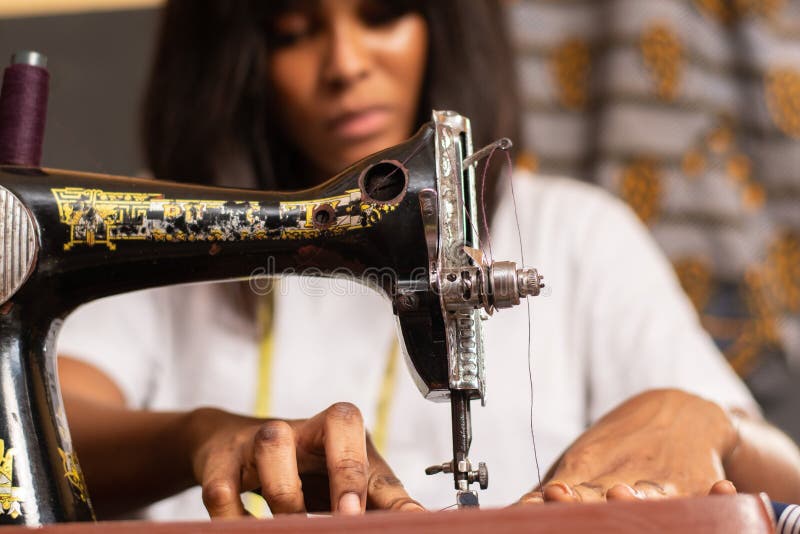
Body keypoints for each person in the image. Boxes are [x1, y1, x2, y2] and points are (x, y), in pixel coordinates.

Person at [56, 0, 800, 521]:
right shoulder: (183, 252)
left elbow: (788, 481)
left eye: (382, 15)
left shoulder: (578, 235)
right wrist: (200, 436)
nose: (345, 64)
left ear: (441, 26)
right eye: (291, 32)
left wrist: (704, 419)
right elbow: (39, 423)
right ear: (239, 64)